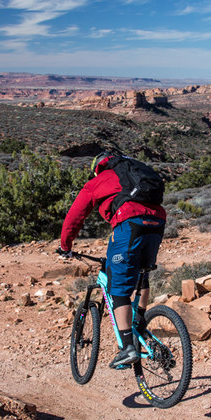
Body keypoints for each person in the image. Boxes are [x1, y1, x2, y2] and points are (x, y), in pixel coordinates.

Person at [58, 153, 166, 369]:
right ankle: (140, 321)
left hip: (129, 224)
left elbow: (75, 215)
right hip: (157, 222)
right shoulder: (134, 171)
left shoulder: (100, 179)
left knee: (119, 288)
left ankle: (127, 347)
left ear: (97, 167)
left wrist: (65, 246)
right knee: (142, 271)